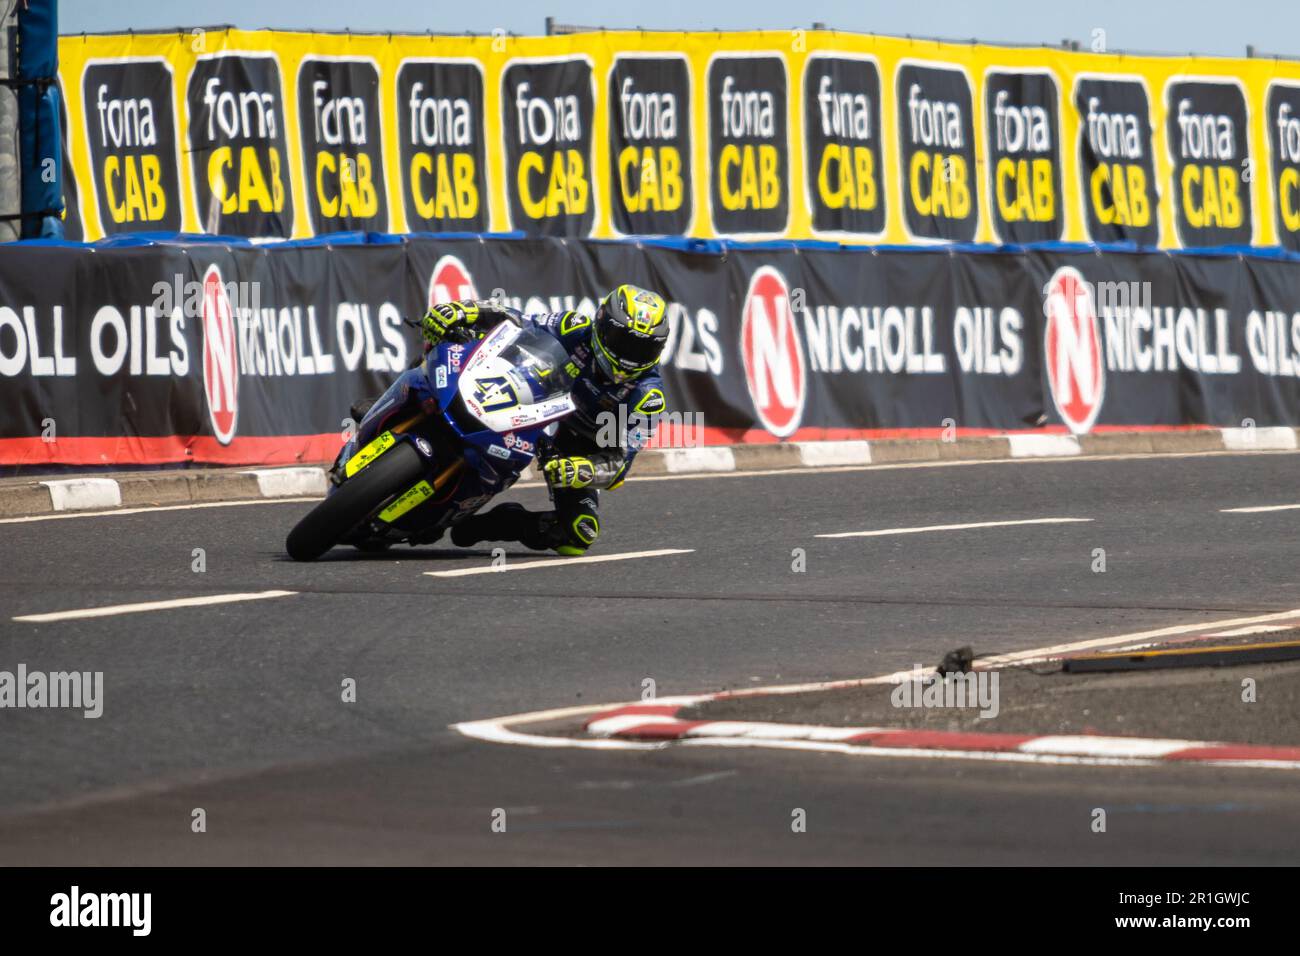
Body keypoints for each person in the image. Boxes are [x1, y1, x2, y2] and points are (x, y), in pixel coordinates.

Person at [423, 284, 670, 556]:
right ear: (601, 323)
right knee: (454, 341)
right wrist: (466, 311)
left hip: (575, 446)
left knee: (578, 534)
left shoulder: (649, 397)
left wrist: (580, 470)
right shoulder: (574, 326)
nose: (629, 356)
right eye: (624, 342)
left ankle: (489, 524)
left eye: (642, 349)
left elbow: (620, 464)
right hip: (531, 402)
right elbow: (518, 320)